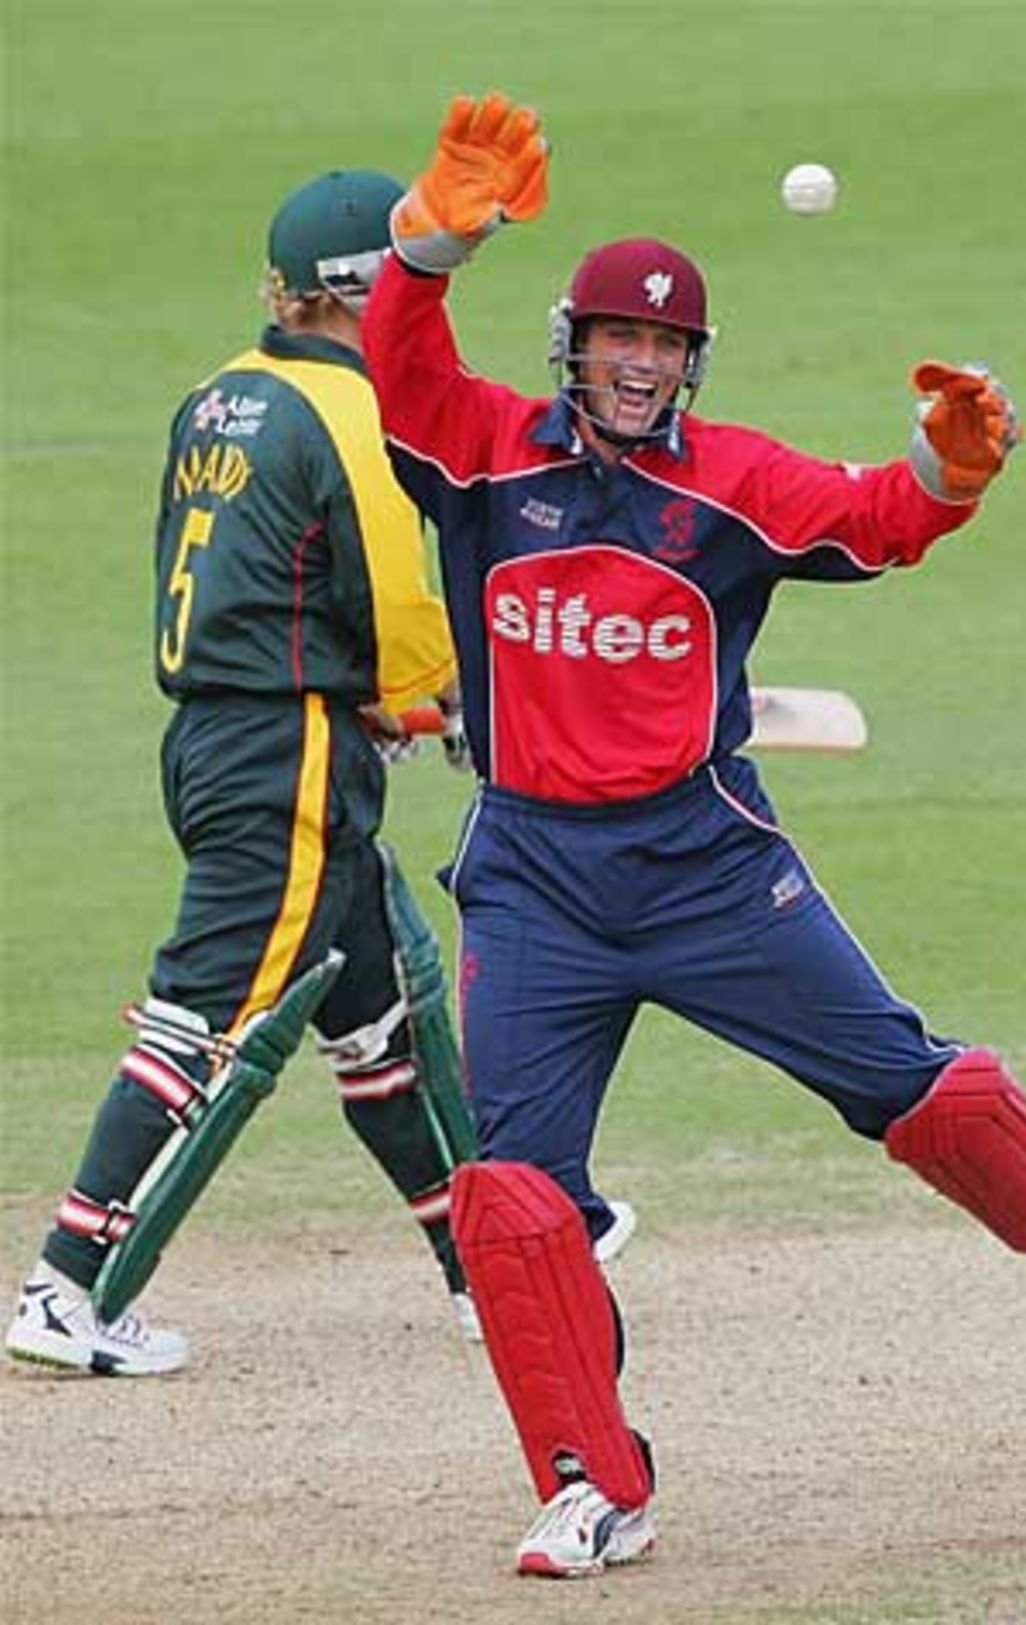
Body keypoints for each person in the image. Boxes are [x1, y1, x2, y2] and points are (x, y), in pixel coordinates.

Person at [360, 93, 1026, 1578]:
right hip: (536, 882)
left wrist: (953, 466)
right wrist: (427, 249)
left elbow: (878, 517)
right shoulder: (483, 453)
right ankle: (593, 1485)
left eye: (667, 346)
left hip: (708, 864)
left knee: (892, 1073)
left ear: (690, 366)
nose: (642, 363)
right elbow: (398, 367)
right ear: (575, 343)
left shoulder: (727, 482)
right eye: (621, 338)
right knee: (515, 1200)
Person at [4, 168, 485, 1376]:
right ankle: (68, 1283)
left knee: (381, 1009)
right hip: (288, 754)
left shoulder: (217, 396)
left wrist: (369, 694)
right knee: (206, 1021)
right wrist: (453, 698)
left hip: (228, 735)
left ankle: (491, 1259)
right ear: (363, 293)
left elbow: (265, 575)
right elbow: (391, 596)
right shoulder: (348, 410)